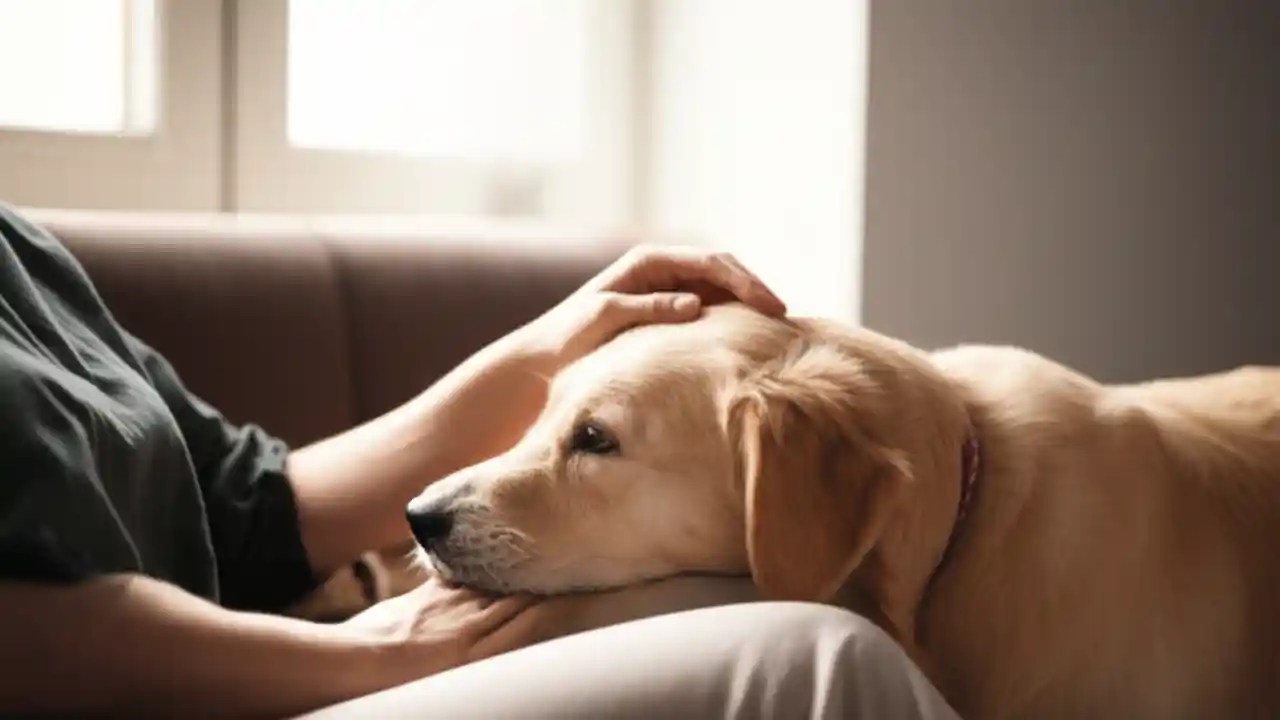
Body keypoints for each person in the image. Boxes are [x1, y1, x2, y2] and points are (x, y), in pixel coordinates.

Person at [0, 203, 960, 718]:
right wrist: (357, 657)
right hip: (221, 695)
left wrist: (547, 347)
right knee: (818, 668)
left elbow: (249, 505)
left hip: (282, 662)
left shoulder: (19, 255)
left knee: (785, 596)